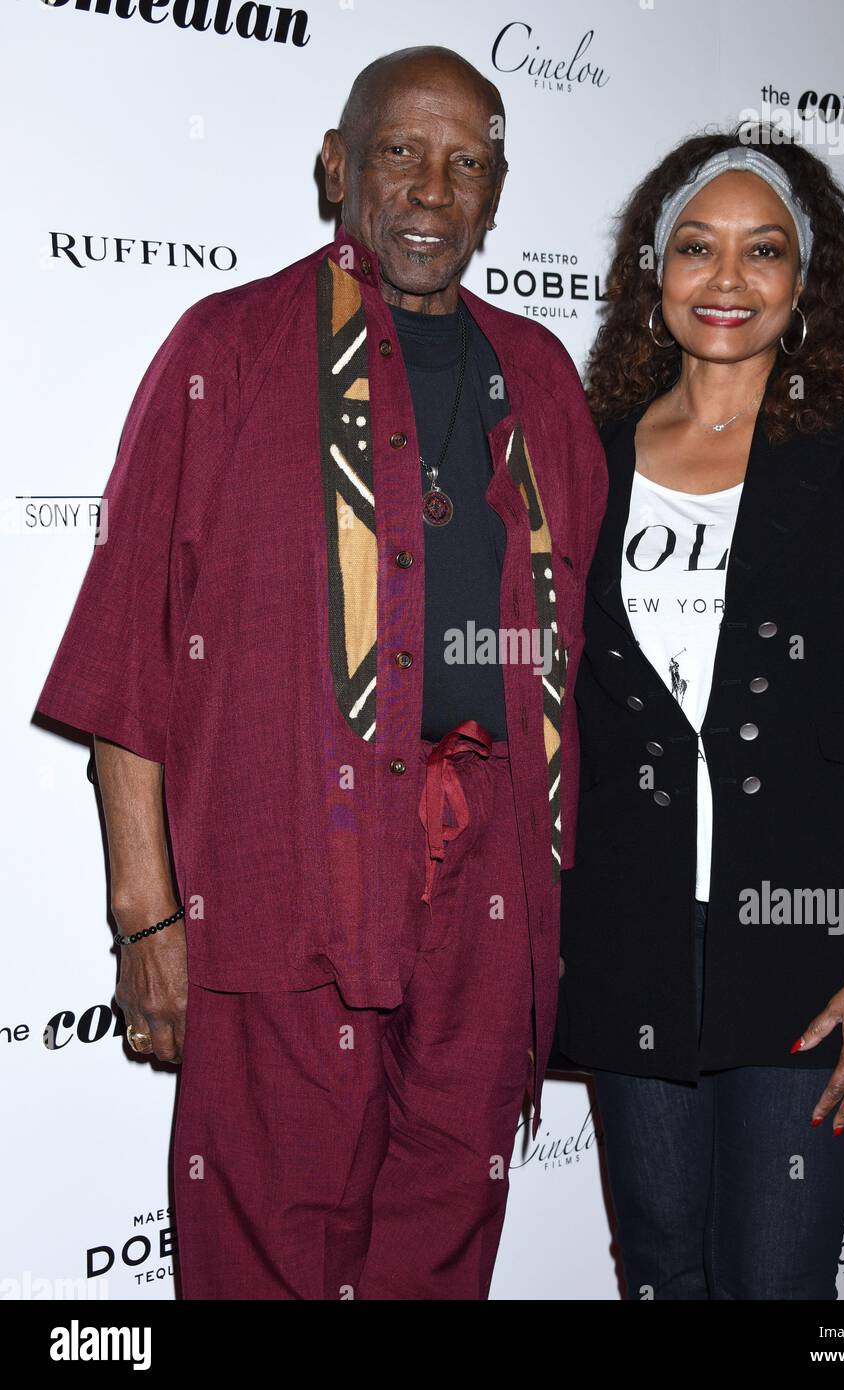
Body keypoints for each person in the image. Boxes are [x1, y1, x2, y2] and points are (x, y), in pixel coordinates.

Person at [34, 45, 607, 1301]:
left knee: (443, 1233)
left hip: (488, 895)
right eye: (399, 150)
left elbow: (573, 669)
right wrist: (147, 917)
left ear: (496, 196)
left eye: (466, 163)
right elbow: (129, 652)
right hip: (285, 876)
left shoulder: (543, 380)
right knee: (262, 1244)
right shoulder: (225, 348)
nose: (428, 188)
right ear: (336, 167)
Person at [555, 126, 844, 1299]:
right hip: (632, 943)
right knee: (663, 1275)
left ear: (802, 282)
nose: (725, 280)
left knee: (774, 1284)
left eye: (761, 251)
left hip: (810, 956)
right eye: (695, 248)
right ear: (653, 272)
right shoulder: (587, 455)